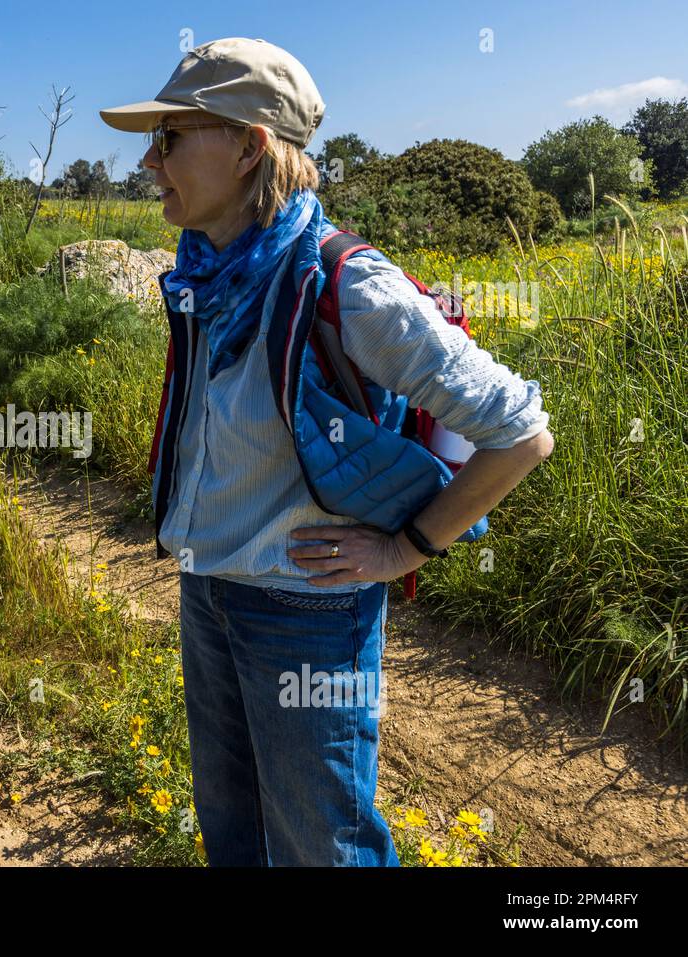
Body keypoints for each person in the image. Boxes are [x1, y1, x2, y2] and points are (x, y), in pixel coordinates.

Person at [100, 38, 553, 865]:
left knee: (322, 849)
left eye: (171, 135)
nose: (148, 157)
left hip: (305, 616)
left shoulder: (346, 283)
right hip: (209, 591)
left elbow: (521, 431)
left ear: (249, 146)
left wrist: (404, 547)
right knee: (233, 833)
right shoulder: (208, 270)